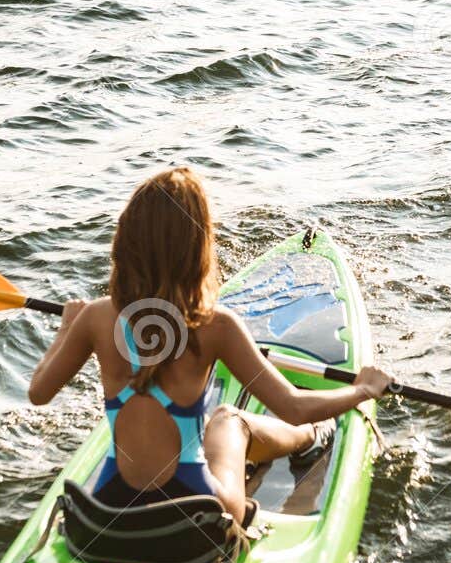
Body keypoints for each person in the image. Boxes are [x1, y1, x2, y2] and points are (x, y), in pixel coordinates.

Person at [25, 167, 390, 523]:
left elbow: (39, 393)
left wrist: (66, 330)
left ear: (126, 242)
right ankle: (311, 438)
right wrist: (362, 390)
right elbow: (293, 406)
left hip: (112, 505)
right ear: (197, 249)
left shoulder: (95, 317)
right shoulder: (216, 326)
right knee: (228, 419)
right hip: (198, 511)